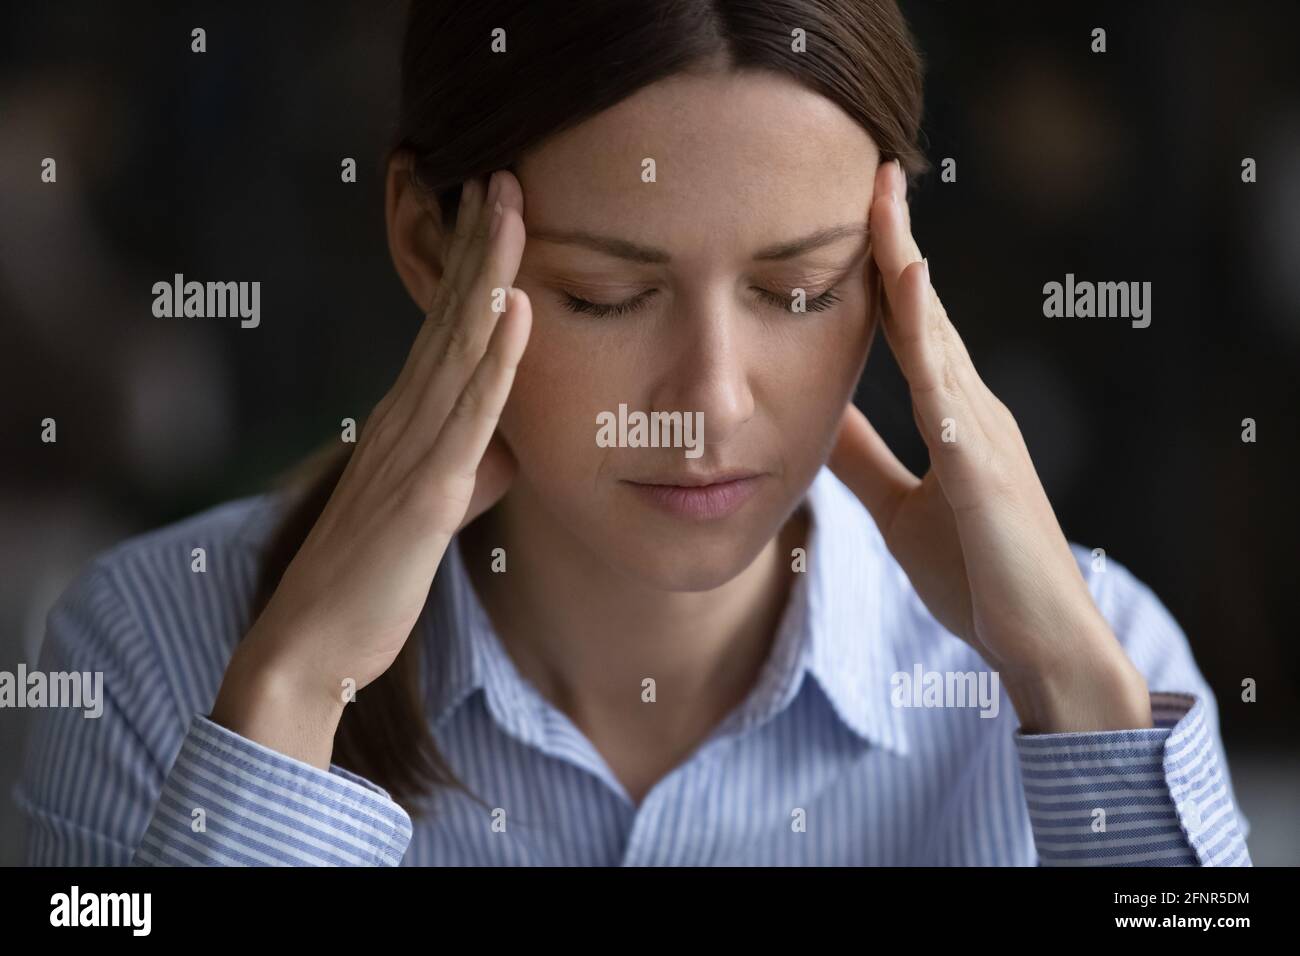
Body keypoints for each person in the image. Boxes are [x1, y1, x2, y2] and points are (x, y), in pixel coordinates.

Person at [14, 0, 1250, 866]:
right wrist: (291, 697)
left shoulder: (1105, 661)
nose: (710, 401)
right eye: (608, 295)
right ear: (426, 245)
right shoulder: (146, 661)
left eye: (800, 289)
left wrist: (1079, 703)